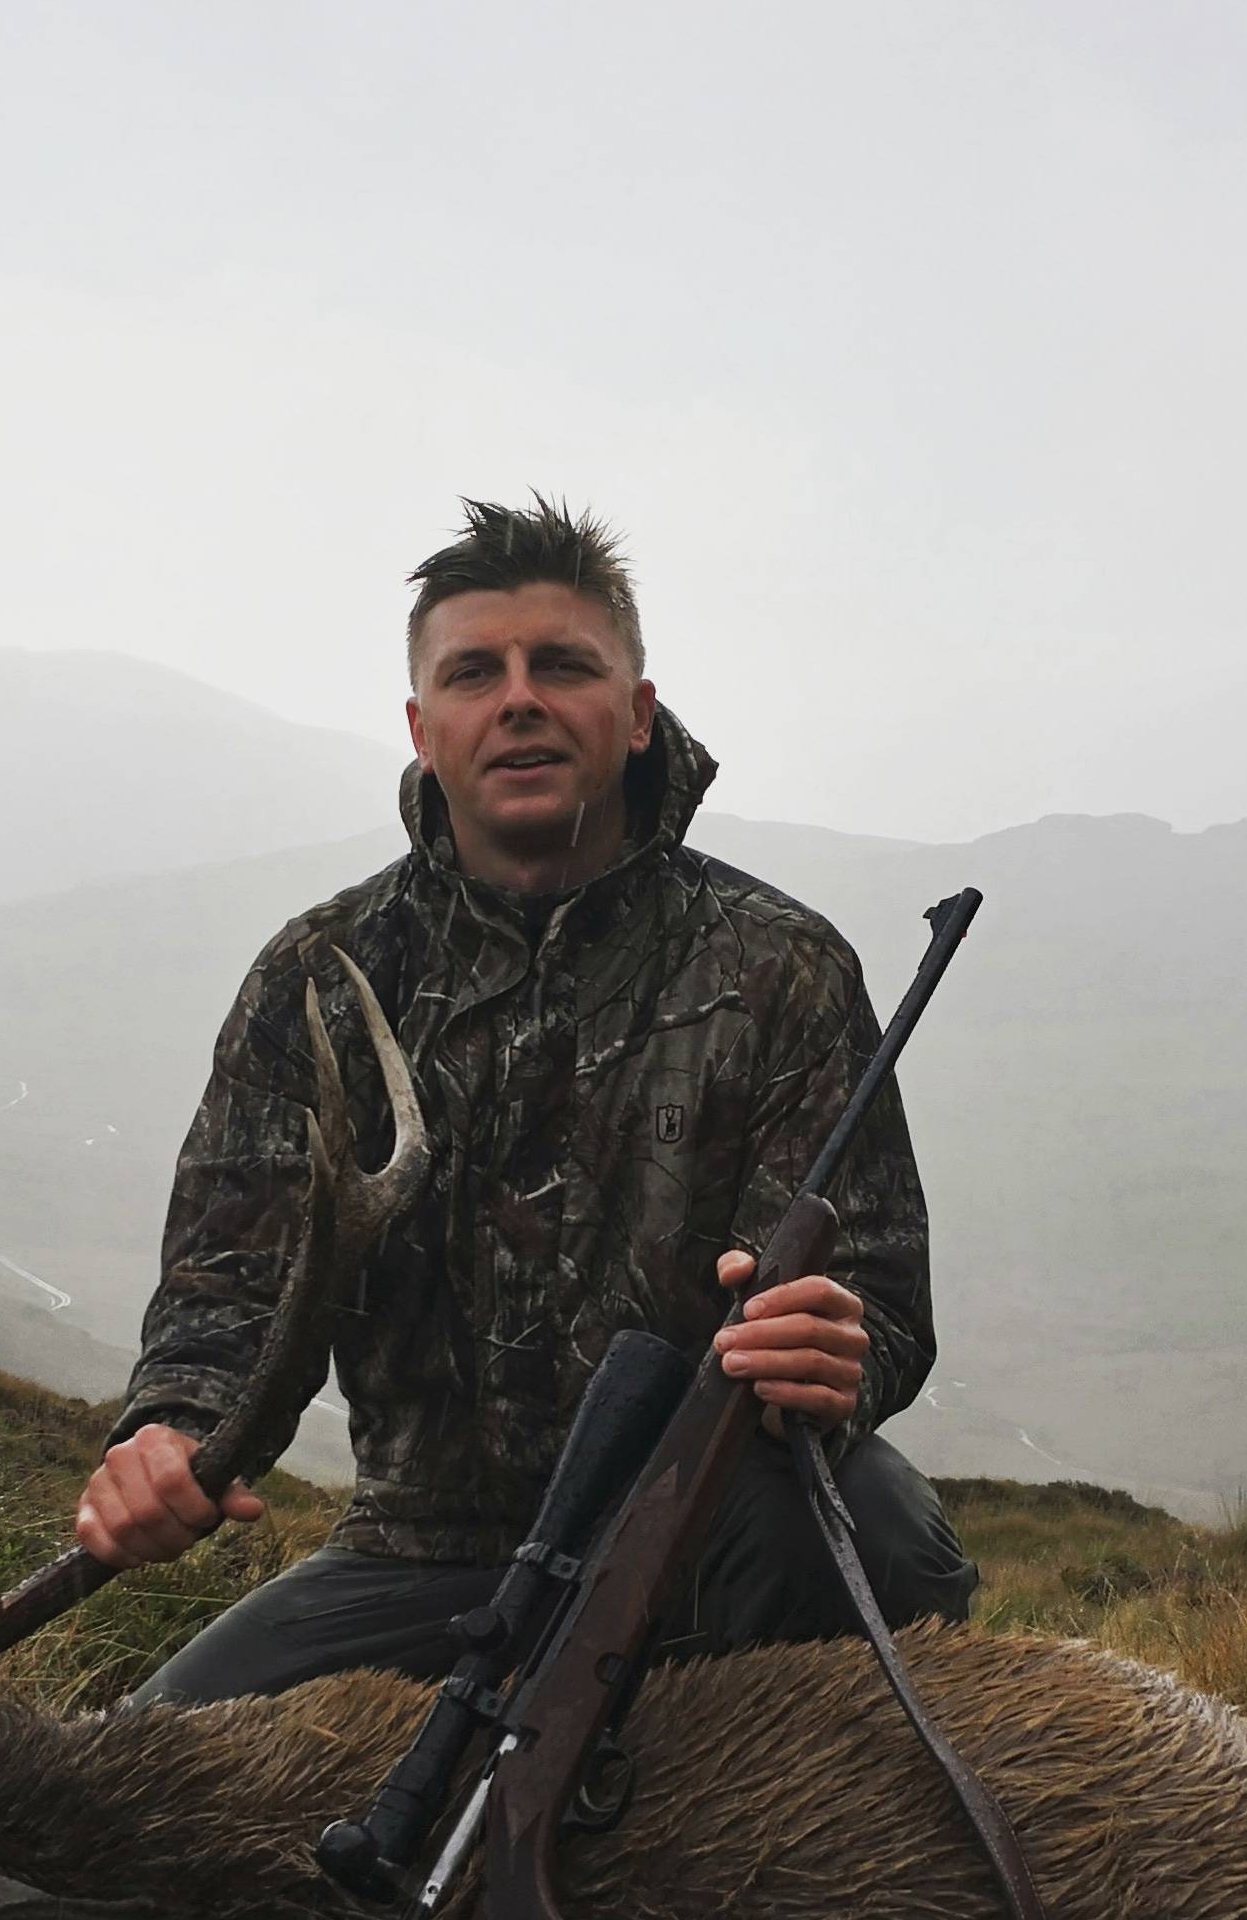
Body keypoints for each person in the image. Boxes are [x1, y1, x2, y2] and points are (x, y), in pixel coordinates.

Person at [86, 495, 977, 1708]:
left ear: (636, 710)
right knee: (152, 1761)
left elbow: (873, 1289)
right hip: (416, 1552)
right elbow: (223, 1288)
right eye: (474, 673)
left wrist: (836, 1356)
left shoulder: (781, 968)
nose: (518, 699)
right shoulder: (320, 981)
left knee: (874, 1523)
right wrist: (168, 1431)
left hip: (699, 1520)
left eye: (561, 665)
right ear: (421, 725)